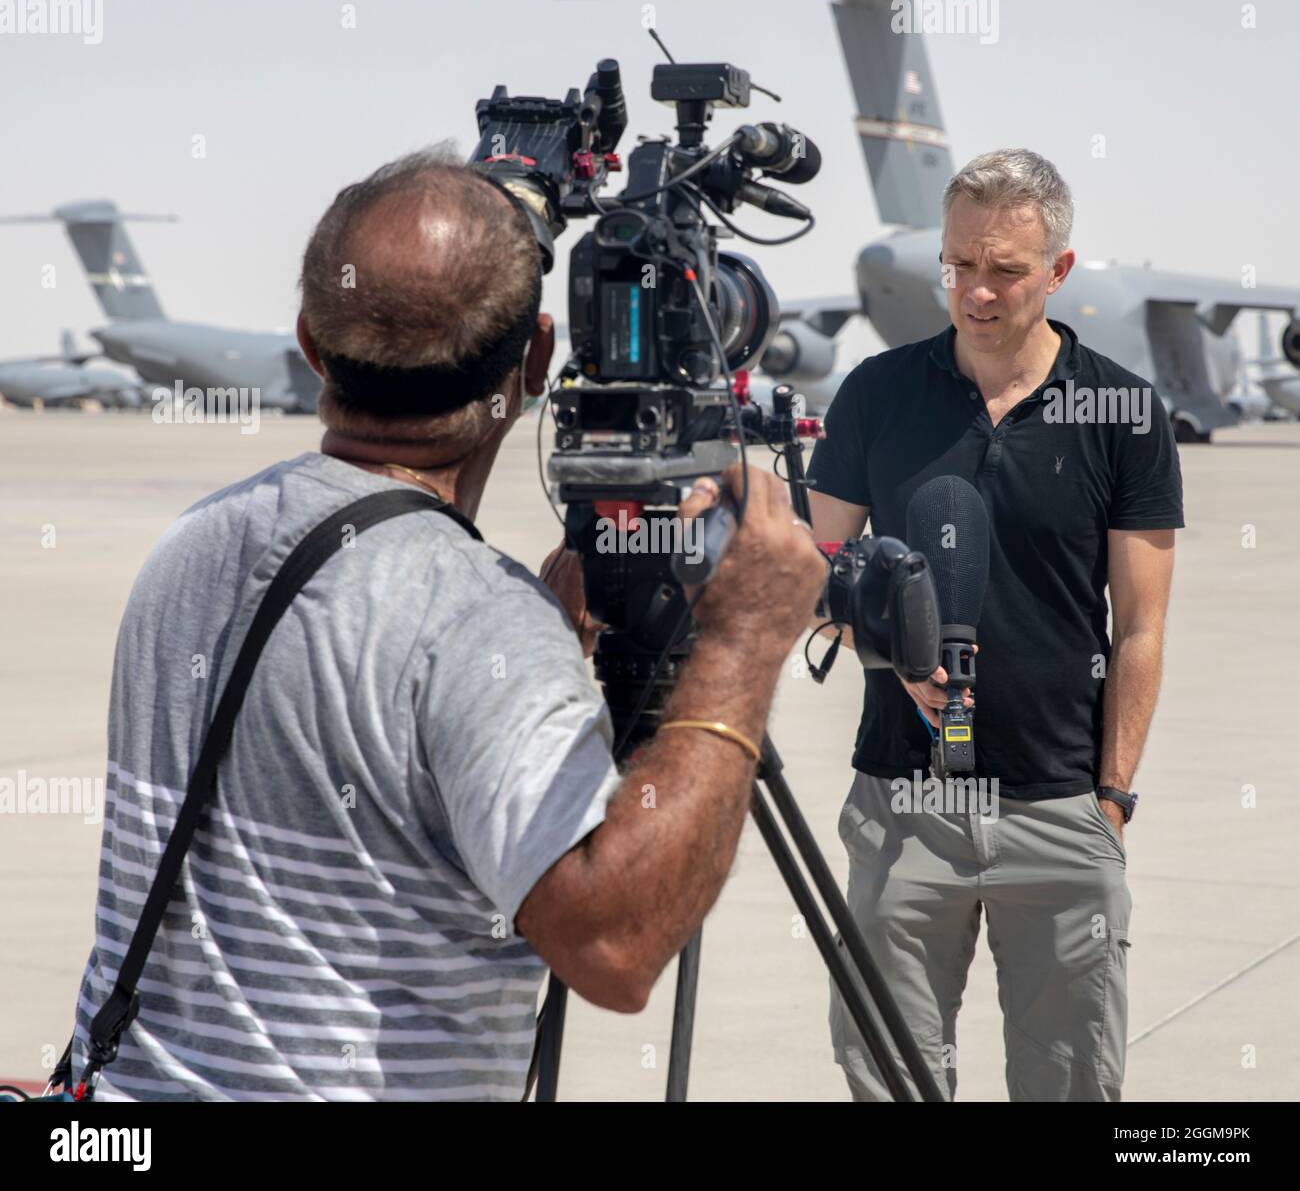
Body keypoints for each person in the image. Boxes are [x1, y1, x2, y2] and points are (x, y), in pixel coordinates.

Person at [70, 146, 825, 1101]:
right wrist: (742, 643)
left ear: (310, 343)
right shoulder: (472, 618)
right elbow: (613, 945)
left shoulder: (193, 541)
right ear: (538, 359)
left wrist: (521, 673)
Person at [807, 148, 1182, 1101]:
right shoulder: (875, 394)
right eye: (958, 264)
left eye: (1004, 270)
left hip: (1059, 808)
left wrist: (1111, 798)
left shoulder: (1124, 414)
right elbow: (818, 574)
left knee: (1069, 1087)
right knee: (889, 1077)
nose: (975, 291)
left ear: (1057, 270)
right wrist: (892, 651)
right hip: (903, 807)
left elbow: (1140, 626)